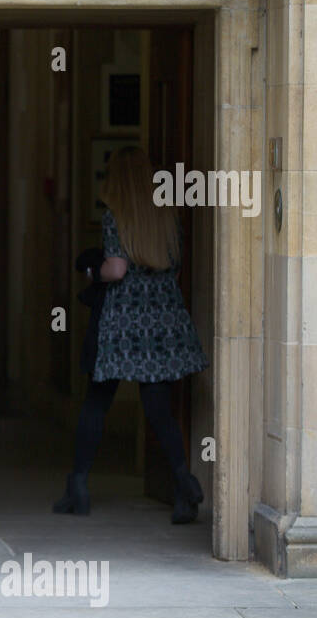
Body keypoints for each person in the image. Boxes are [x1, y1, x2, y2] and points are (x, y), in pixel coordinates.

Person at [53, 146, 209, 523]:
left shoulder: (115, 217)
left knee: (97, 400)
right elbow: (175, 265)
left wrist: (92, 272)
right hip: (163, 315)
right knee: (158, 407)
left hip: (123, 319)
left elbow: (116, 269)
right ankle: (184, 484)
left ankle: (78, 486)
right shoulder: (168, 216)